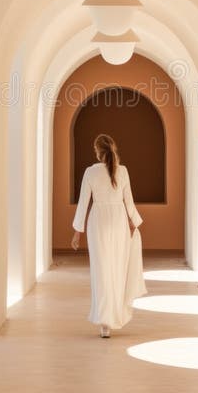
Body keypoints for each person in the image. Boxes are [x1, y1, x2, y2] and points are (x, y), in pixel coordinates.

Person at [71, 133, 147, 338]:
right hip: (119, 221)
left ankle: (105, 322)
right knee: (116, 269)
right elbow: (129, 202)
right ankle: (113, 315)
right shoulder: (123, 171)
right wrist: (135, 223)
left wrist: (77, 231)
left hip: (98, 222)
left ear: (97, 151)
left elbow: (83, 203)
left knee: (101, 270)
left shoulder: (90, 172)